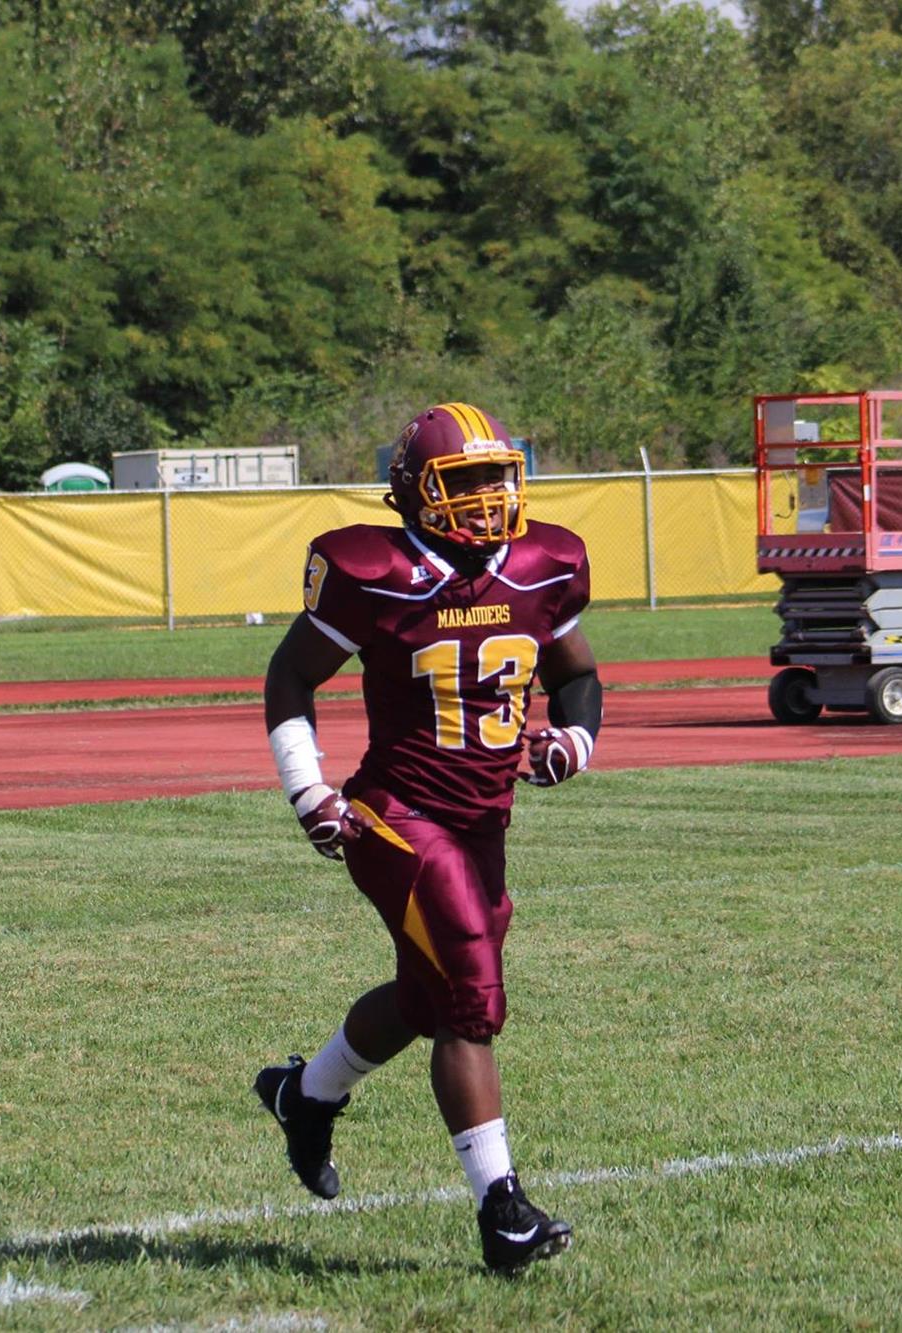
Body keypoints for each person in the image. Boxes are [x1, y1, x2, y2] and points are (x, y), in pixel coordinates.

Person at [257, 402, 602, 1273]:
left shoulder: (542, 563)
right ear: (414, 493)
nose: (489, 499)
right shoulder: (373, 571)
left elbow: (580, 674)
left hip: (484, 819)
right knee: (473, 992)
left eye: (498, 477)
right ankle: (503, 1208)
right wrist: (310, 790)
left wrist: (573, 739)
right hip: (394, 814)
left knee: (428, 998)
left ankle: (308, 1094)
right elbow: (291, 674)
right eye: (465, 481)